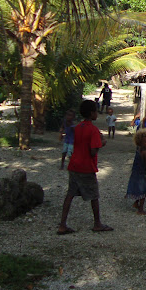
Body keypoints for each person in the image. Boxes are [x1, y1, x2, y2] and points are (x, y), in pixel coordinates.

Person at [57, 99, 113, 234]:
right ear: (92, 113)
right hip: (87, 167)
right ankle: (97, 223)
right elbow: (93, 150)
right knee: (94, 196)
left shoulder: (78, 127)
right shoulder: (93, 130)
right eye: (95, 112)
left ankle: (62, 224)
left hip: (74, 164)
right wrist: (102, 142)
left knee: (70, 194)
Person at [126, 128, 146, 215]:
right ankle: (141, 209)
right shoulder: (145, 152)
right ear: (140, 142)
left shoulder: (138, 149)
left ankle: (136, 203)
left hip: (135, 172)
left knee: (138, 189)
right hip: (141, 174)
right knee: (143, 191)